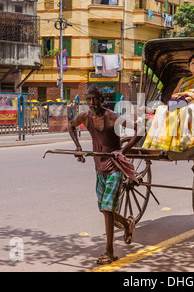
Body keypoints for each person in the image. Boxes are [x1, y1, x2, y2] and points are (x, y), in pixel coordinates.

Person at [68, 84, 143, 265]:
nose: (92, 103)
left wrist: (123, 151)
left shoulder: (112, 117)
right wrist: (78, 147)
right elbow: (71, 126)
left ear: (102, 100)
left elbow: (140, 129)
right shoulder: (85, 117)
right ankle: (126, 223)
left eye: (95, 99)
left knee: (108, 209)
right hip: (99, 167)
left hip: (114, 168)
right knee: (103, 208)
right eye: (89, 99)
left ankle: (109, 252)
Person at [142, 54, 194, 152]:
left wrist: (190, 95)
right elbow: (174, 94)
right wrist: (184, 94)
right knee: (162, 110)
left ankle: (183, 141)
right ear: (189, 66)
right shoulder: (183, 80)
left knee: (187, 110)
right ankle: (160, 142)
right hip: (182, 102)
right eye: (192, 63)